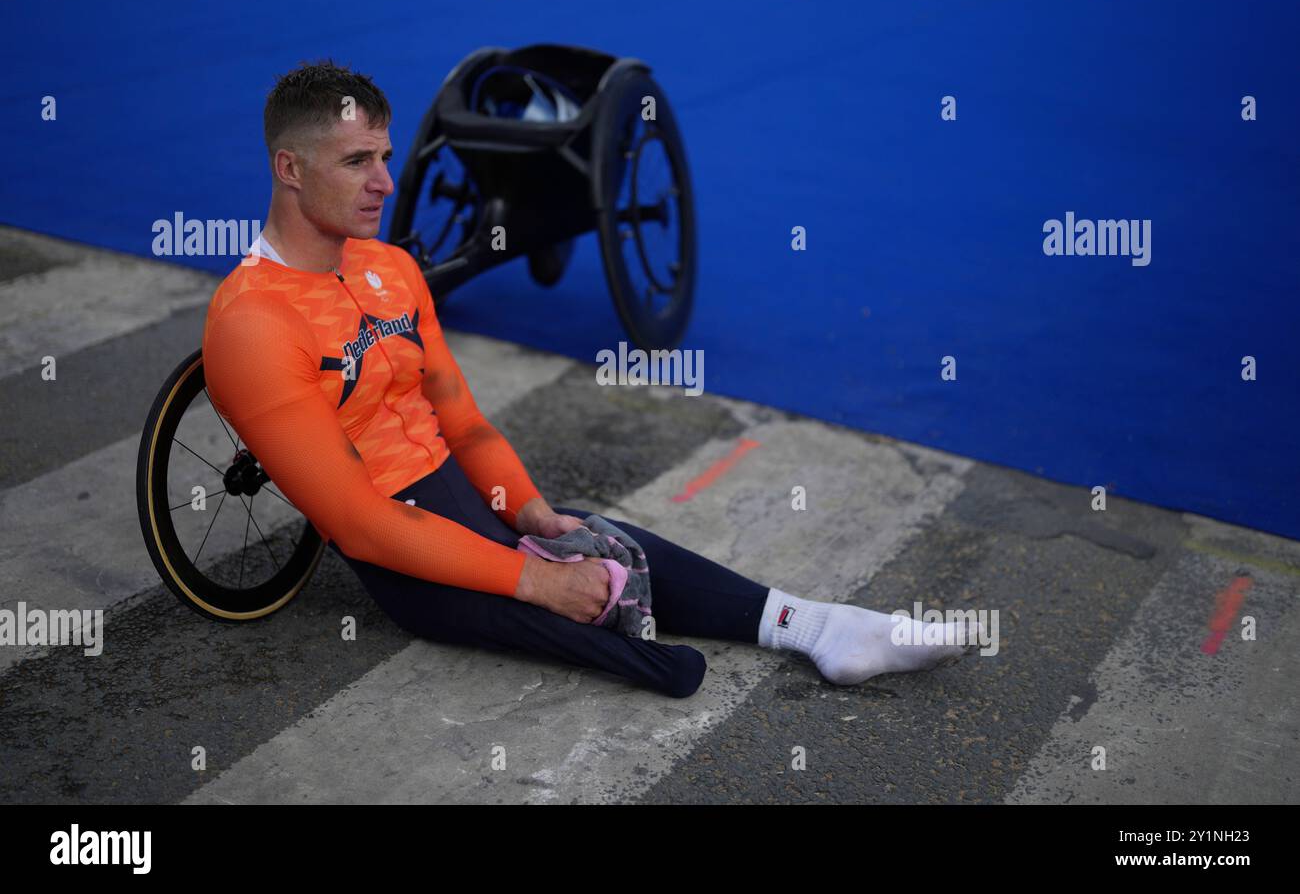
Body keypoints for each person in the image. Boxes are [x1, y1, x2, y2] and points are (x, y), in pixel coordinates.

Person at [201, 60, 976, 698]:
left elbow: (464, 424)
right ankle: (769, 634)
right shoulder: (253, 325)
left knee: (592, 540)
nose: (388, 183)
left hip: (466, 501)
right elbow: (363, 524)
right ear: (289, 169)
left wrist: (532, 513)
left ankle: (820, 625)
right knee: (646, 656)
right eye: (357, 162)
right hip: (396, 545)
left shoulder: (391, 266)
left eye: (386, 156)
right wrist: (531, 583)